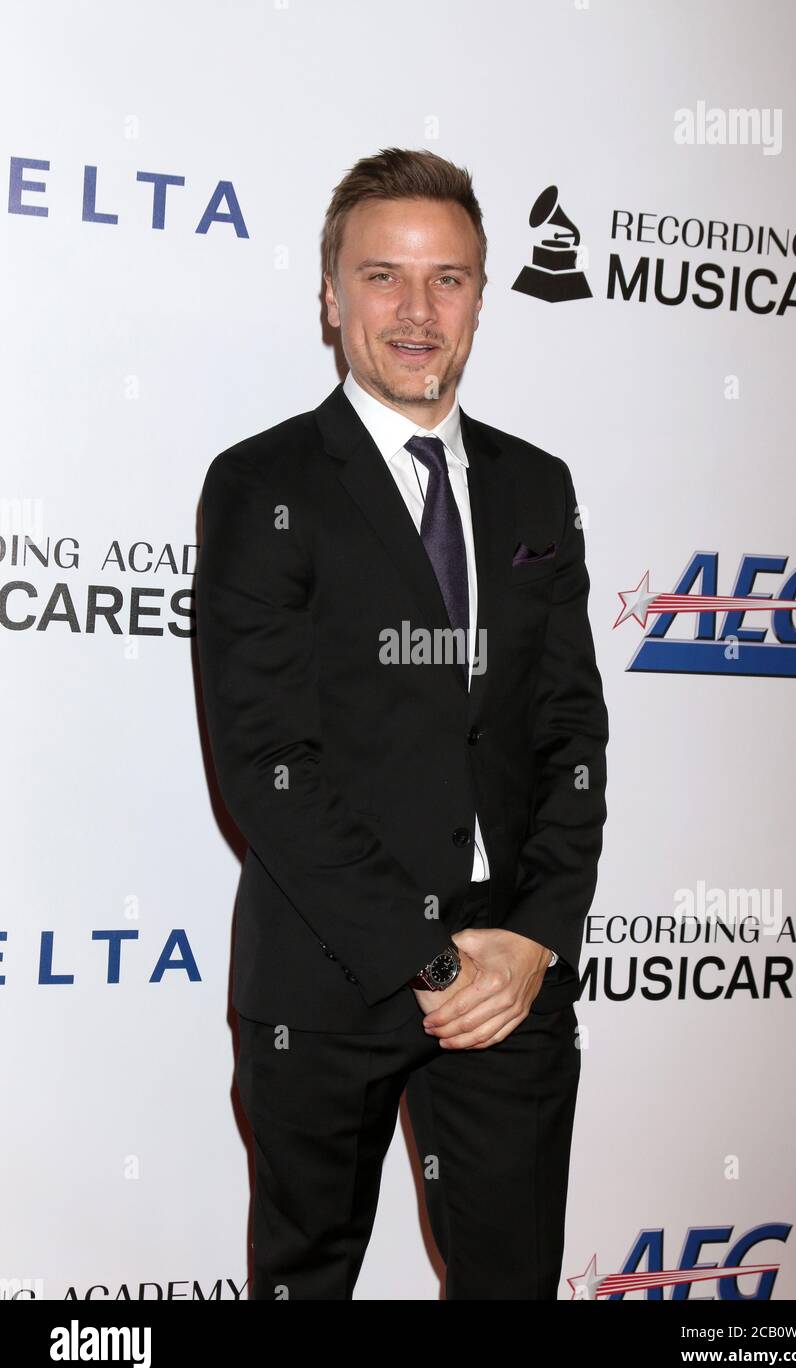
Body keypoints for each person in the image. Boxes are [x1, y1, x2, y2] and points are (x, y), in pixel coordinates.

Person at [194, 146, 609, 1300]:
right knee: (306, 1277)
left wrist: (529, 940)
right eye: (382, 277)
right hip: (331, 975)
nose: (417, 313)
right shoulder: (260, 482)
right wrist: (426, 962)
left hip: (507, 973)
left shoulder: (537, 486)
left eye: (448, 279)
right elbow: (266, 763)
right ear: (330, 298)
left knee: (510, 1281)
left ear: (481, 294)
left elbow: (569, 732)